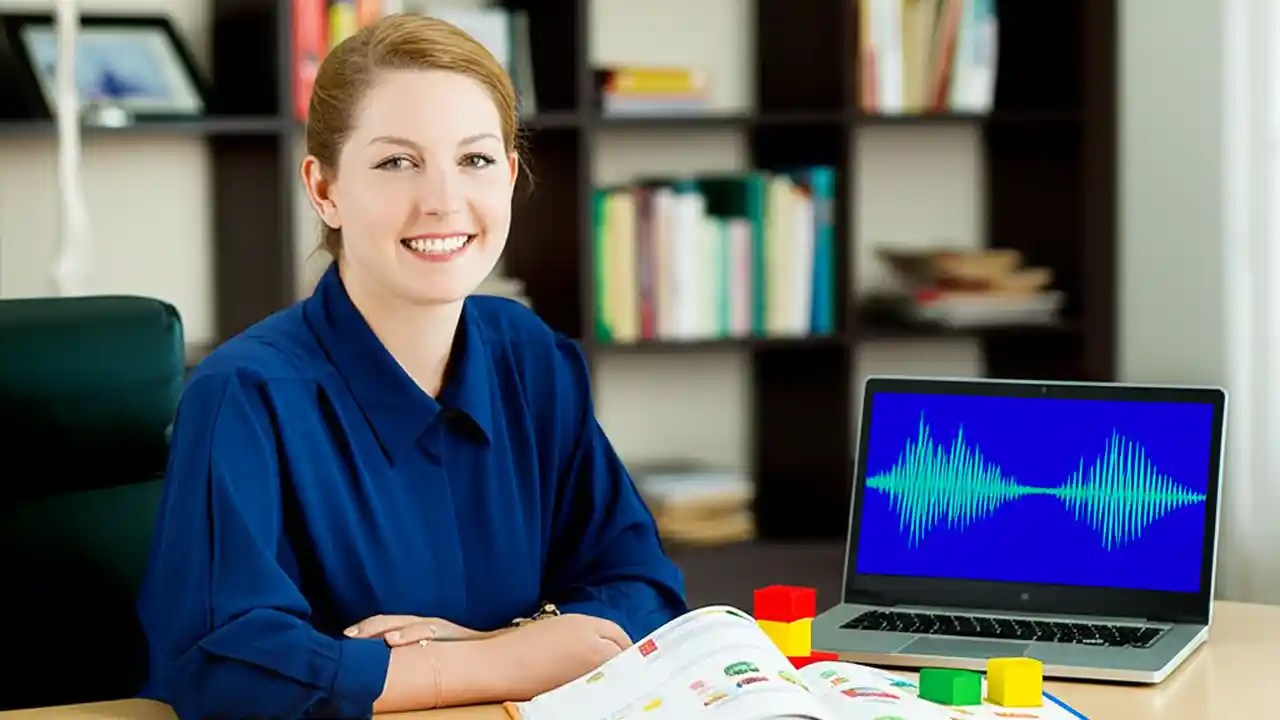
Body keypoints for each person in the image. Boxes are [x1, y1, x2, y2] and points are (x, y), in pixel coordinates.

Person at [135, 13, 688, 718]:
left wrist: (482, 646)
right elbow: (221, 663)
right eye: (397, 162)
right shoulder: (242, 396)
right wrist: (505, 660)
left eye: (476, 160)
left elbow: (643, 591)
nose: (443, 201)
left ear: (510, 177)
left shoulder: (532, 358)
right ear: (324, 189)